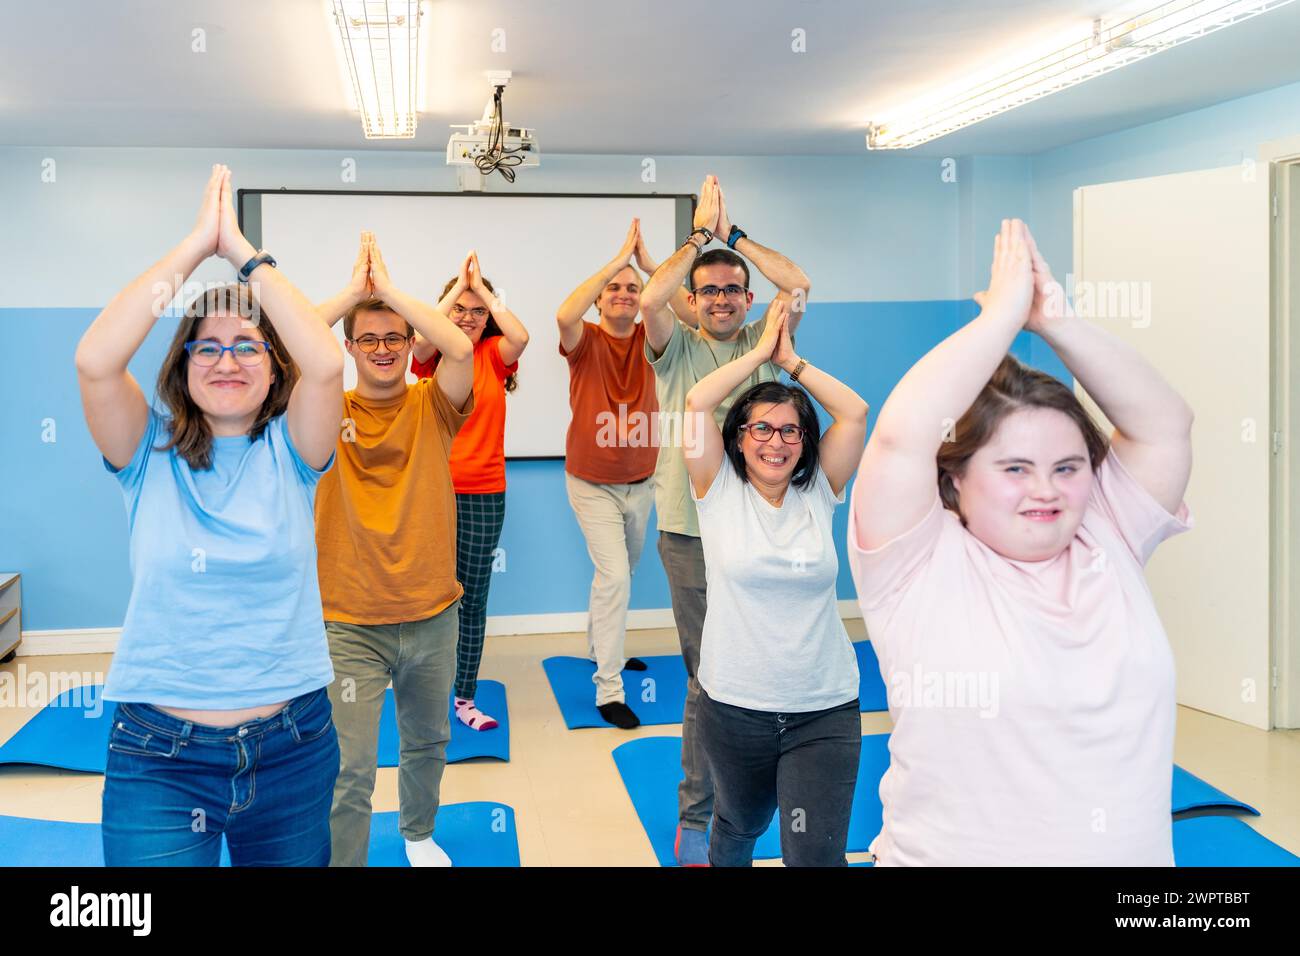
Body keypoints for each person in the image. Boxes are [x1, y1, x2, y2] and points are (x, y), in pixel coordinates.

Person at [849, 219, 1195, 865]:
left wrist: (1054, 319)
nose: (1048, 491)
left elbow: (1166, 426)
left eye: (1068, 467)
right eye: (1015, 469)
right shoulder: (916, 562)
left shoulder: (1107, 533)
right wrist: (999, 322)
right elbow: (900, 438)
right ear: (955, 477)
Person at [78, 165, 344, 866]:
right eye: (210, 345)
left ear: (272, 365)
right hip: (158, 758)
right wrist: (198, 247)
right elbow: (96, 360)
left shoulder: (295, 449)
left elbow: (324, 364)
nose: (227, 359)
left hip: (293, 748)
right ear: (185, 361)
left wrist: (245, 257)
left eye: (248, 345)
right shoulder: (147, 448)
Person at [640, 174, 812, 865]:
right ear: (694, 300)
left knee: (768, 664)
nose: (718, 299)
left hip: (767, 530)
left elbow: (796, 283)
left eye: (730, 289)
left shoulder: (769, 337)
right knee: (707, 676)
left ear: (745, 298)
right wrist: (698, 236)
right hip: (689, 531)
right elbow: (651, 295)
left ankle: (764, 793)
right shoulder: (674, 344)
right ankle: (697, 813)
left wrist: (732, 235)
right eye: (706, 290)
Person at [683, 301, 868, 866]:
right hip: (736, 705)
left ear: (805, 442)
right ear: (738, 437)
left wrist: (792, 363)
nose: (776, 440)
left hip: (825, 705)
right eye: (760, 427)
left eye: (790, 430)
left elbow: (855, 413)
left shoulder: (820, 492)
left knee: (814, 854)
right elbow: (697, 402)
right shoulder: (716, 489)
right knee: (740, 824)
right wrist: (760, 353)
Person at [314, 232, 475, 866]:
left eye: (395, 337)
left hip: (433, 613)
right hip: (348, 622)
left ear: (411, 343)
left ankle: (417, 834)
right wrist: (356, 294)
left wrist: (391, 295)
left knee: (428, 741)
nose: (383, 349)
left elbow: (460, 345)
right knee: (349, 766)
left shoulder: (433, 403)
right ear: (348, 348)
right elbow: (277, 346)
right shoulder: (322, 406)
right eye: (368, 338)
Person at [555, 218, 695, 729]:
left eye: (632, 289)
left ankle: (601, 647)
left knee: (619, 575)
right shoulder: (585, 340)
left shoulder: (655, 340)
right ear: (600, 299)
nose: (622, 293)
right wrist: (616, 262)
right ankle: (608, 688)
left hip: (643, 482)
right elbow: (564, 312)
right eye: (614, 288)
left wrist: (652, 268)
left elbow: (690, 312)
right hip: (591, 482)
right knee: (614, 577)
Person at [409, 251, 529, 732]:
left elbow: (520, 335)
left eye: (478, 311)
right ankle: (422, 689)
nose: (468, 317)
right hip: (429, 491)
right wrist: (459, 290)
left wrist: (485, 293)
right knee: (426, 597)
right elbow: (419, 340)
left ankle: (463, 698)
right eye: (460, 308)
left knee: (472, 598)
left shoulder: (494, 358)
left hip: (483, 491)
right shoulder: (430, 360)